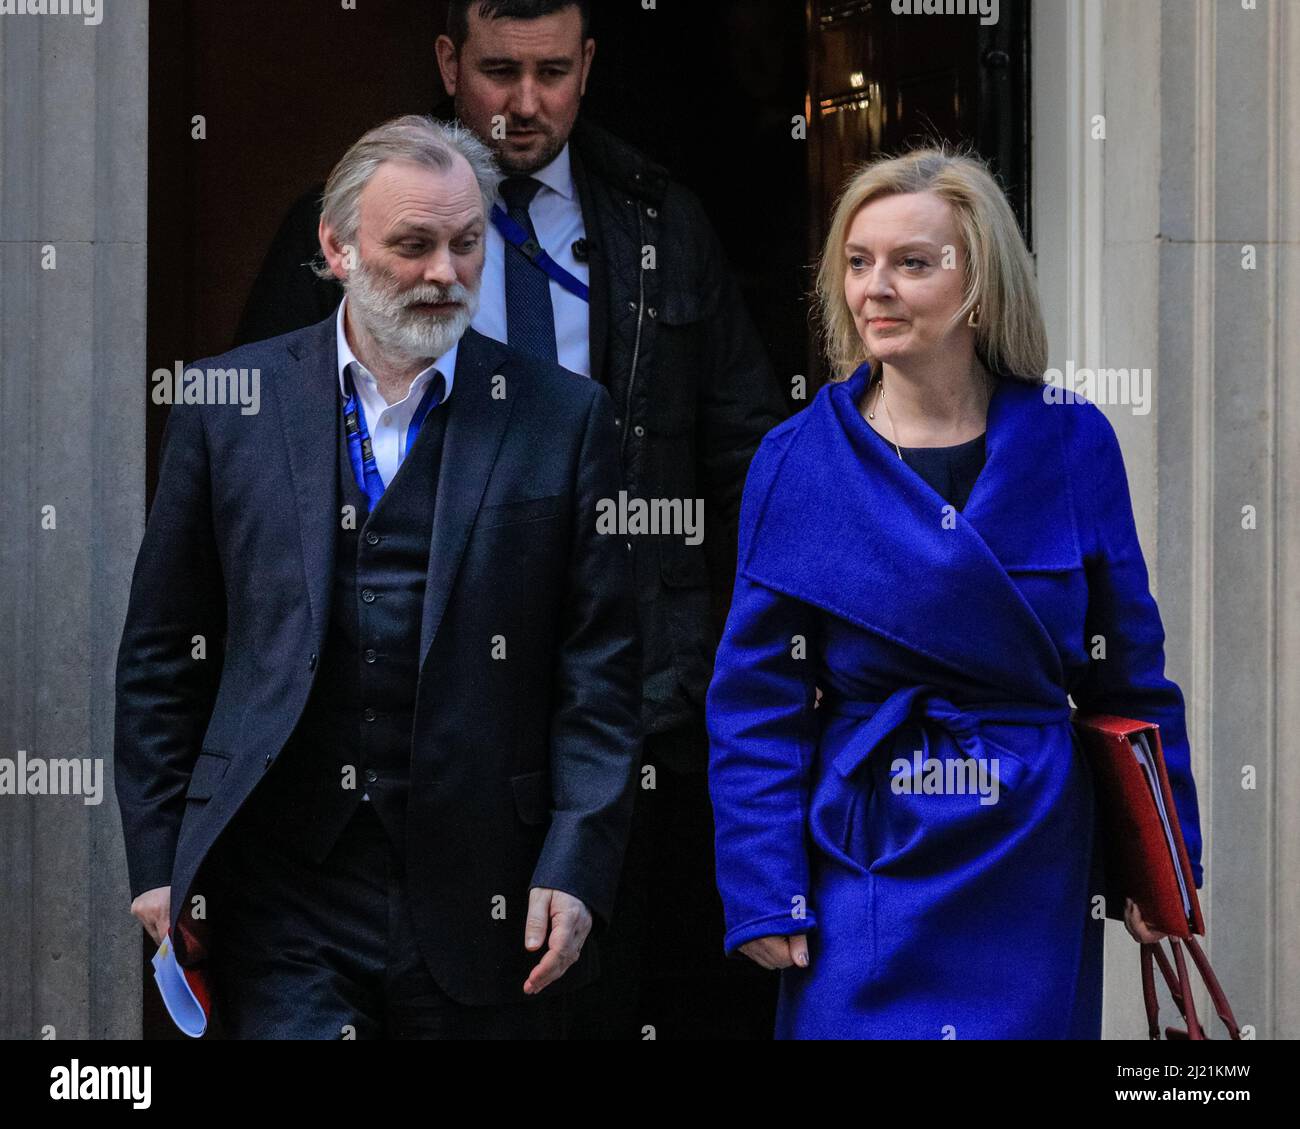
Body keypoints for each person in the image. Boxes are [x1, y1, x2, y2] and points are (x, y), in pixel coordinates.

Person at [235, 0, 787, 1039]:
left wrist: (724, 661)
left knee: (586, 997)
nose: (524, 104)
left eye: (551, 73)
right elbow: (256, 466)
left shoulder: (662, 221)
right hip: (407, 700)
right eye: (497, 71)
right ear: (448, 61)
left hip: (625, 690)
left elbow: (746, 460)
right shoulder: (354, 223)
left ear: (589, 65)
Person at [114, 115, 642, 1039]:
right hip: (283, 893)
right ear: (336, 246)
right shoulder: (227, 404)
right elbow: (164, 651)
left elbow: (598, 669)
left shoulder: (564, 417)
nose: (446, 271)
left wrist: (576, 858)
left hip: (488, 889)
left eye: (467, 243)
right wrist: (159, 857)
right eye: (414, 245)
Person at [705, 146, 1205, 1039]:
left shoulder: (1072, 439)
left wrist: (1162, 862)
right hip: (865, 842)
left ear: (979, 284)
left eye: (911, 262)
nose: (875, 289)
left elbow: (1129, 673)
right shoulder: (797, 458)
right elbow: (756, 700)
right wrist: (762, 888)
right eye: (858, 263)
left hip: (1028, 851)